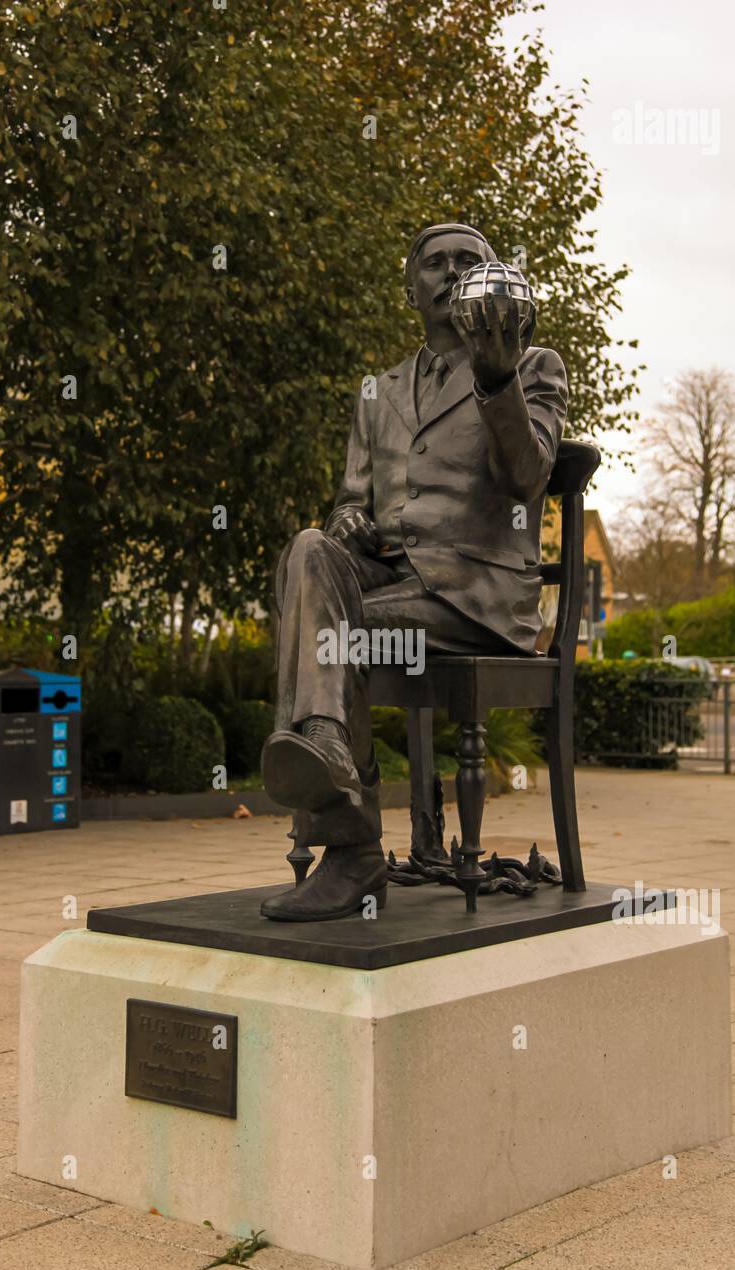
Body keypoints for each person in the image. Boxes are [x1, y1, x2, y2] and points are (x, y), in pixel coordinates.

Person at [259, 222, 568, 921]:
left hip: (478, 597)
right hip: (393, 578)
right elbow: (350, 497)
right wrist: (345, 522)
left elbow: (527, 479)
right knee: (310, 546)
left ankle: (351, 852)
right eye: (436, 262)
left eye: (470, 261)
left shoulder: (532, 364)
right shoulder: (379, 392)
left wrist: (497, 379)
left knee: (330, 633)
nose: (452, 270)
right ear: (411, 287)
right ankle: (329, 744)